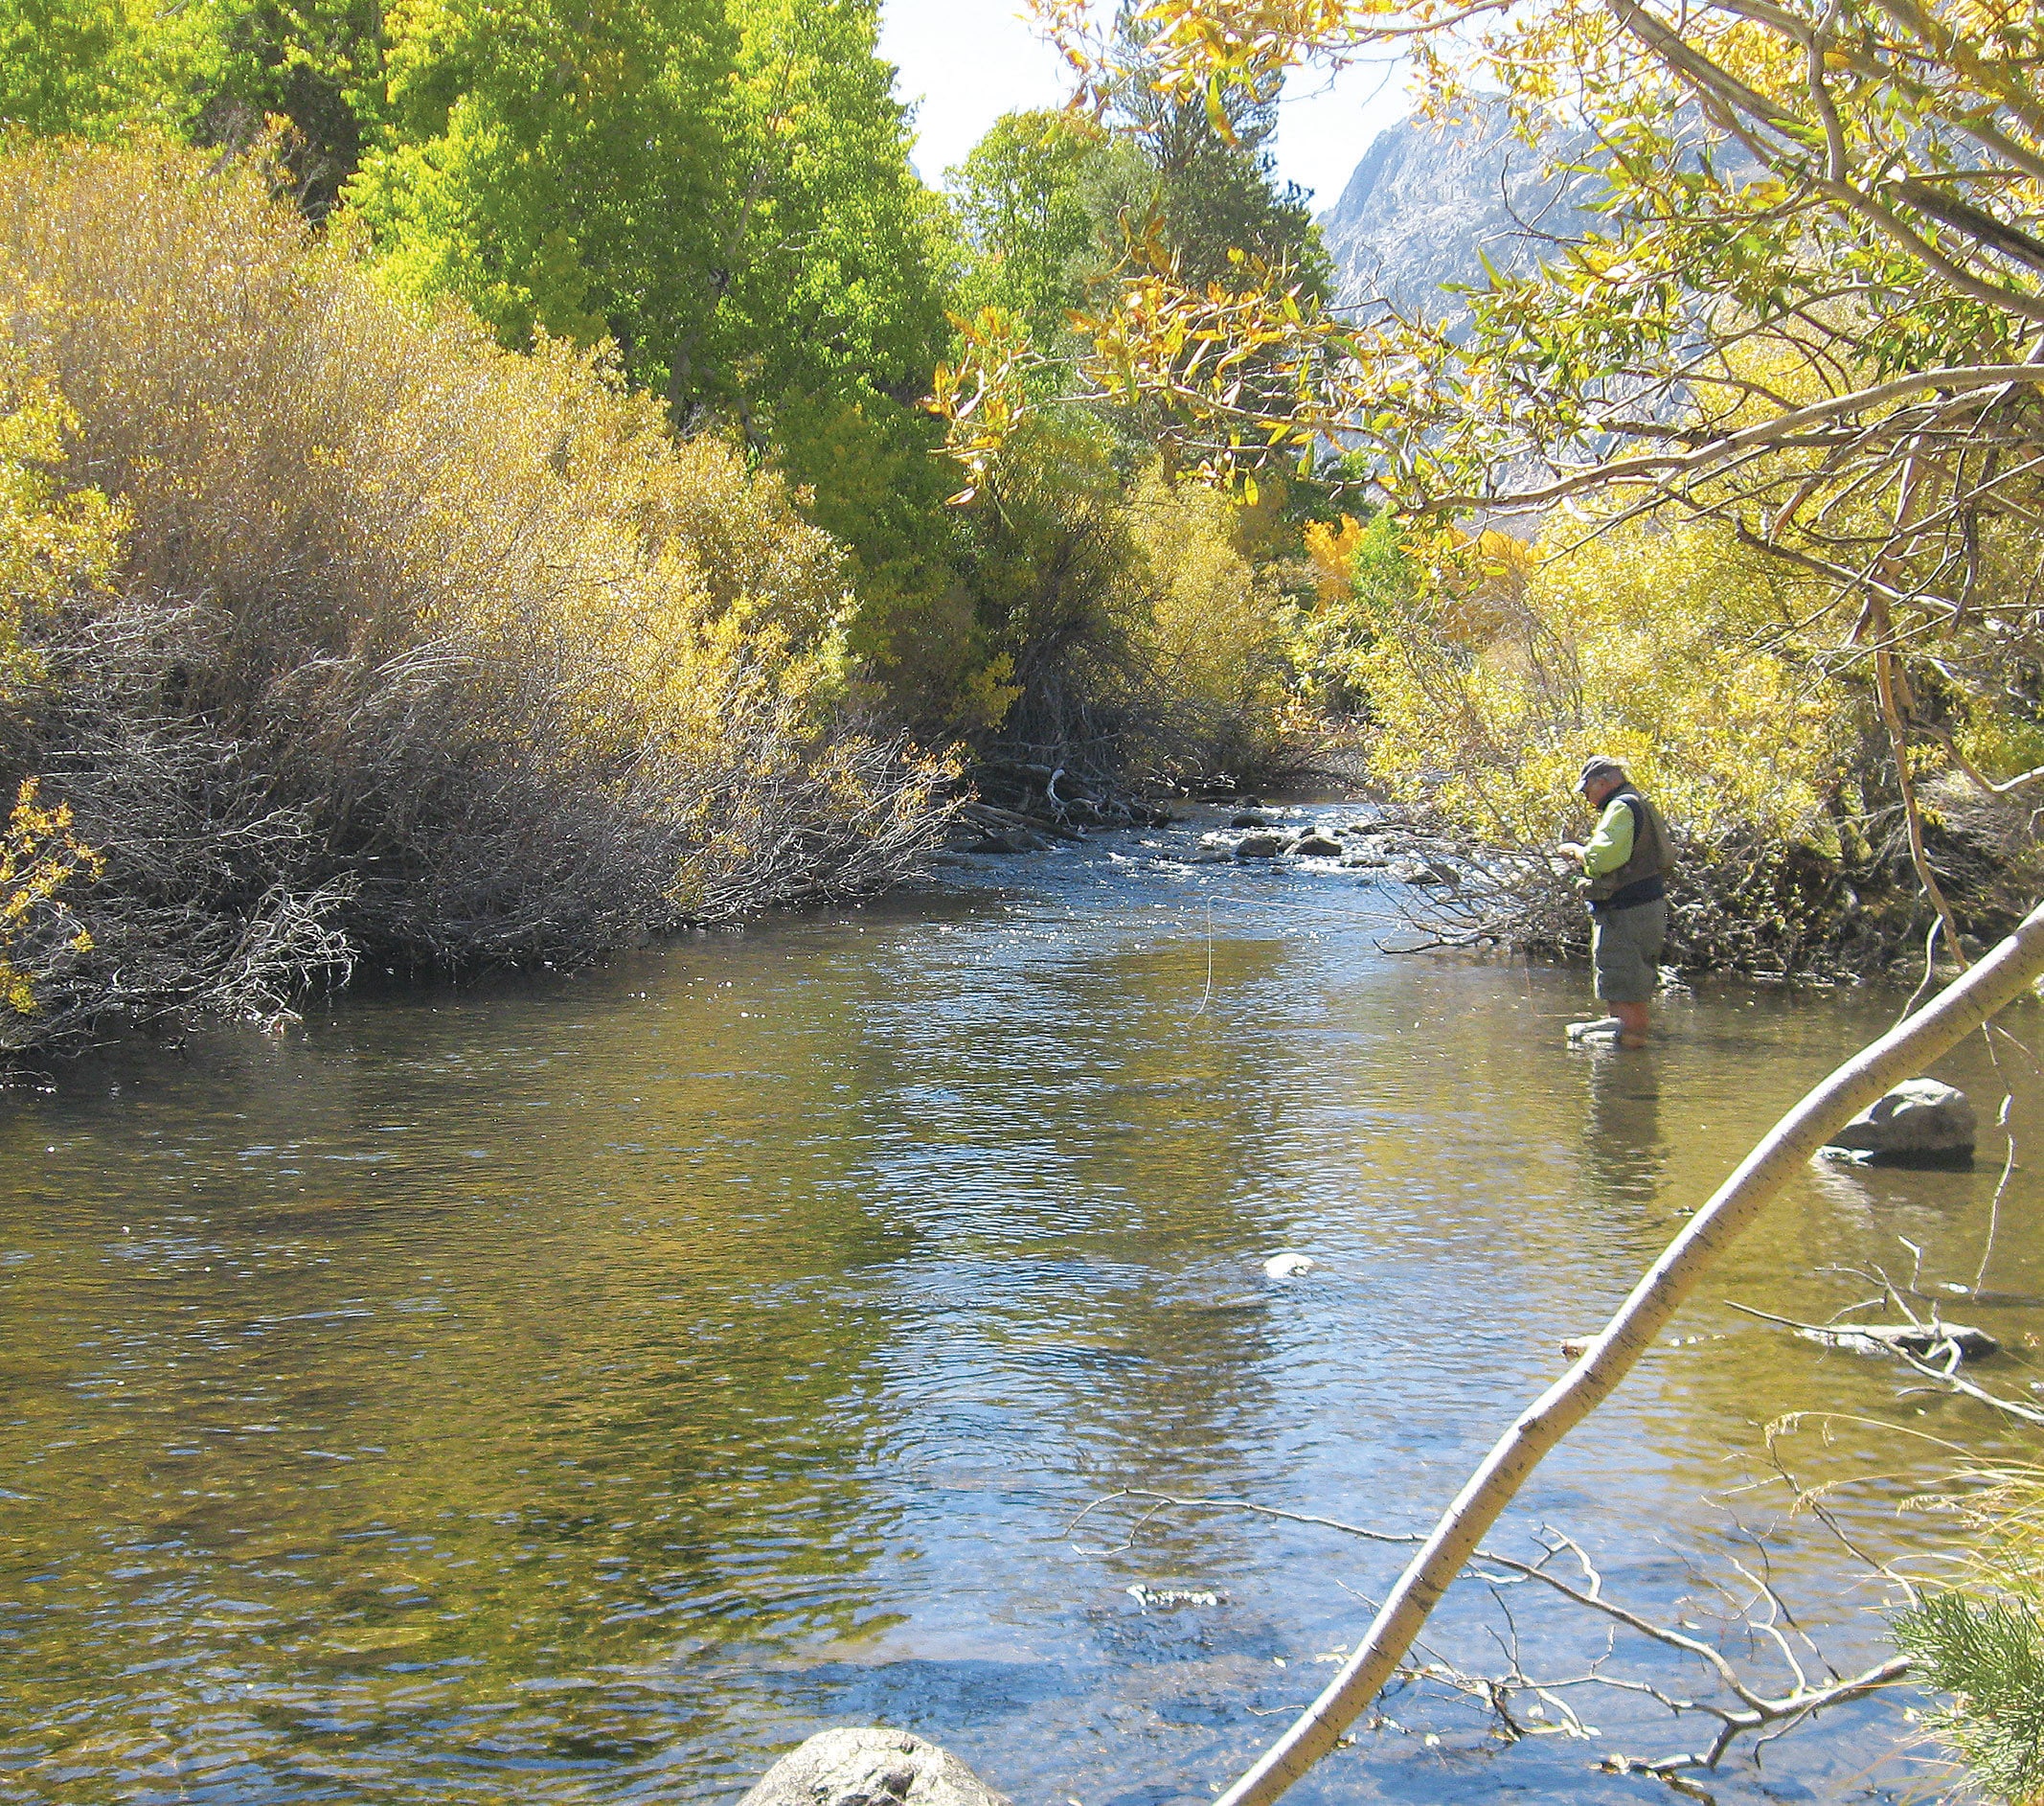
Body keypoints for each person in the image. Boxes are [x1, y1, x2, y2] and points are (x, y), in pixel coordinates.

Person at [1556, 756, 1675, 1049]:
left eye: (1587, 790)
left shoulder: (1622, 806)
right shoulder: (1638, 801)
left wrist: (1576, 851)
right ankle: (1625, 1063)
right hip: (1644, 910)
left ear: (1603, 782)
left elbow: (1602, 859)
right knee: (1628, 988)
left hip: (1627, 914)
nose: (1586, 798)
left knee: (1625, 989)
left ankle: (1627, 1063)